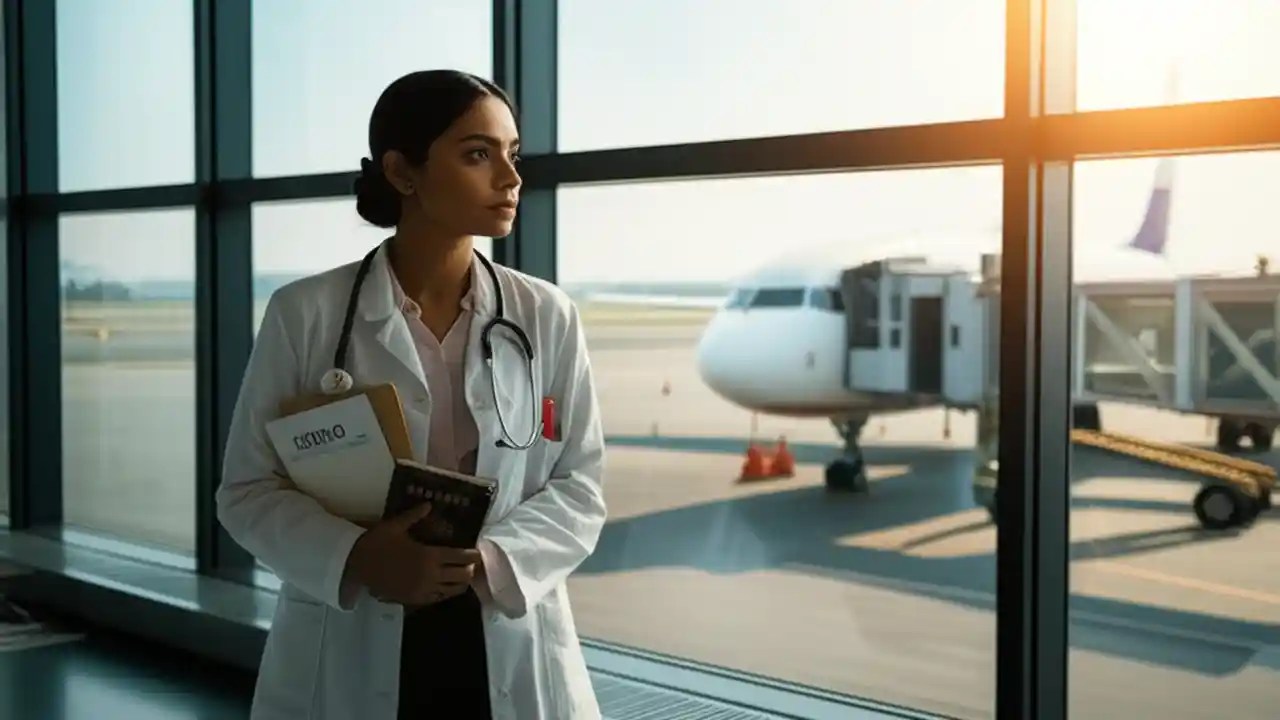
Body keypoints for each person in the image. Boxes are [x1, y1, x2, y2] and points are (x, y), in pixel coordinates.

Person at [216, 69, 607, 720]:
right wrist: (361, 557)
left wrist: (489, 561)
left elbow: (580, 486)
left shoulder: (546, 316)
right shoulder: (306, 314)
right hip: (358, 626)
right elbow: (247, 491)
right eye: (478, 154)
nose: (509, 179)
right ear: (403, 173)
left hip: (500, 620)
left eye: (512, 155)